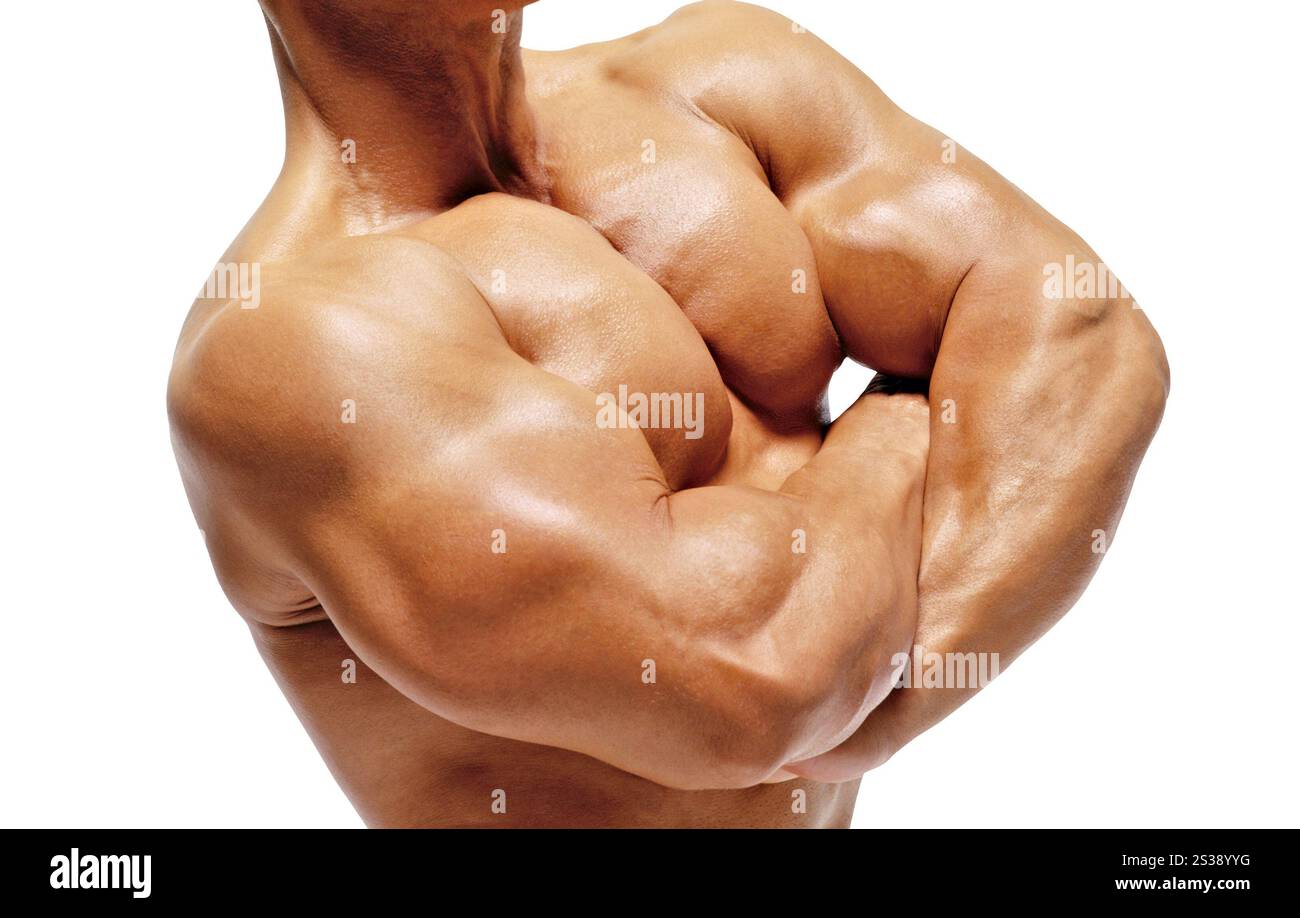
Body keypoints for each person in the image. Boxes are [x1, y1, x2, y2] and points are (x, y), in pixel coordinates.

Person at [168, 0, 1168, 827]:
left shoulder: (721, 81)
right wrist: (907, 419)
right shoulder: (295, 347)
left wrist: (876, 704)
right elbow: (755, 669)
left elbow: (1083, 324)